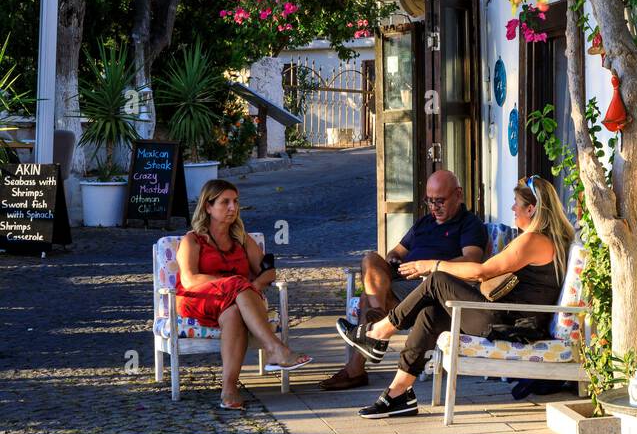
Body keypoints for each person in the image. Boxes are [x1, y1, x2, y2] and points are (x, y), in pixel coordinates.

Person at [340, 175, 574, 419]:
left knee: (437, 280)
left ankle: (379, 333)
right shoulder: (539, 240)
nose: (512, 208)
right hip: (506, 314)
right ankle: (398, 394)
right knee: (431, 313)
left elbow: (481, 271)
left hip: (511, 323)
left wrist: (434, 264)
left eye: (516, 203)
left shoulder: (533, 240)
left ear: (532, 208)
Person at [322, 169, 486, 391]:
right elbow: (397, 251)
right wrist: (392, 259)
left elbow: (471, 259)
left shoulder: (469, 224)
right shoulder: (424, 223)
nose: (434, 207)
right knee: (370, 259)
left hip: (430, 286)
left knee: (365, 299)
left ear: (458, 194)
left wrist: (428, 266)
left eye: (440, 201)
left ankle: (356, 368)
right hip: (402, 280)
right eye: (429, 201)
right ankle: (377, 320)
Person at [176, 179, 312, 409]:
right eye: (225, 202)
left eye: (235, 202)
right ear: (208, 207)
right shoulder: (193, 239)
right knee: (238, 286)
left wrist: (254, 285)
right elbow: (189, 279)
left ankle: (229, 389)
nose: (233, 207)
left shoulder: (241, 239)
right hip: (198, 299)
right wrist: (234, 283)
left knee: (233, 313)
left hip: (234, 302)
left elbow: (269, 272)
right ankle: (275, 349)